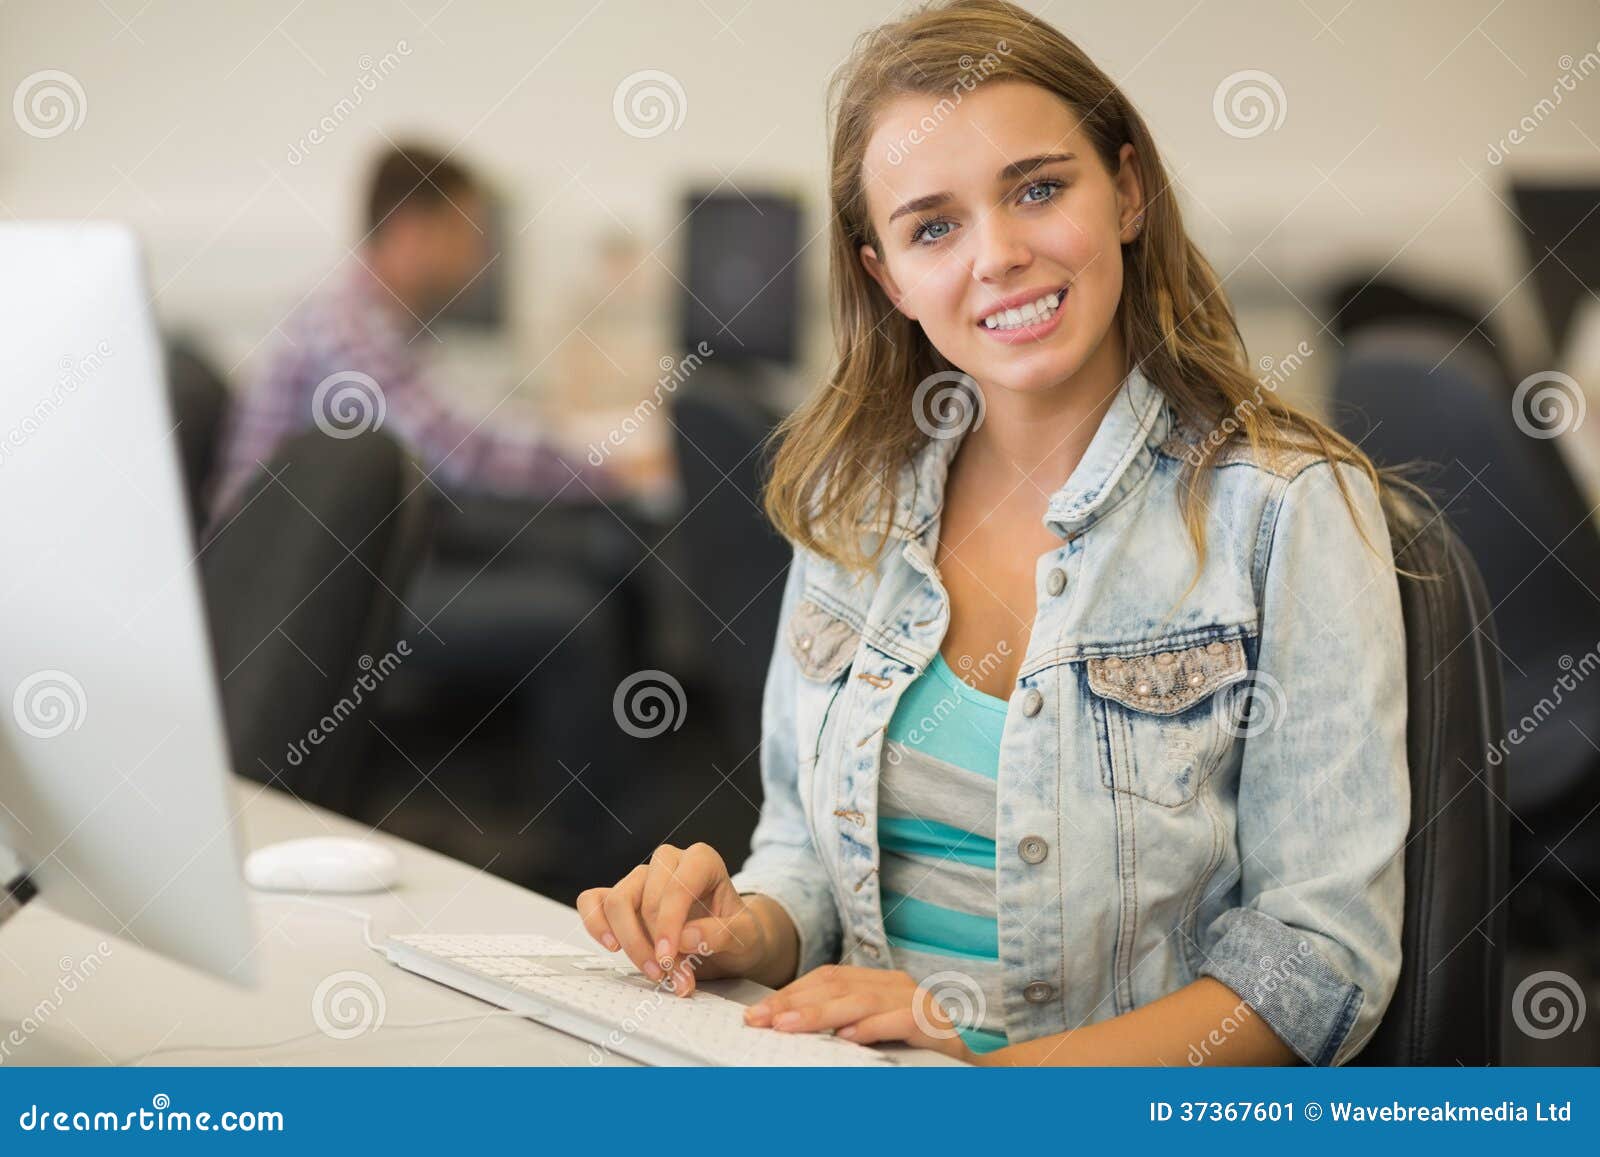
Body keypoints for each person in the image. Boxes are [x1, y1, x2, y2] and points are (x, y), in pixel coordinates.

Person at [577, 0, 1411, 1067]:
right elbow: (801, 853)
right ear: (887, 274)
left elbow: (1315, 968)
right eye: (933, 226)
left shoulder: (1288, 510)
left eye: (1037, 188)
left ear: (1125, 189)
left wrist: (990, 1084)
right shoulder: (856, 502)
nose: (999, 254)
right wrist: (744, 924)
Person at [209, 143, 618, 523]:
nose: (479, 257)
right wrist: (606, 471)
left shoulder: (387, 320)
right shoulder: (342, 329)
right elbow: (456, 457)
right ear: (410, 231)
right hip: (272, 570)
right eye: (467, 234)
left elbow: (459, 425)